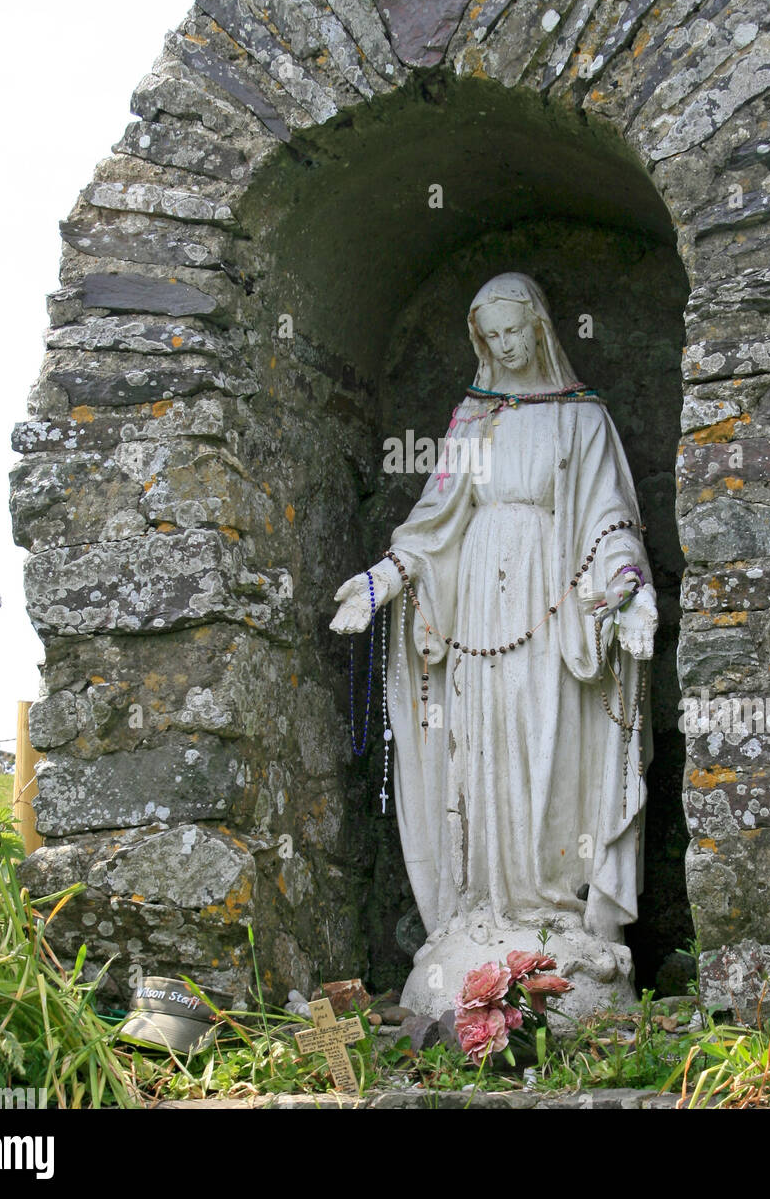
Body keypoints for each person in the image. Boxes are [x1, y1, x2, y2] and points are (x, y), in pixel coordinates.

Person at [331, 273, 657, 1009]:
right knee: (486, 746)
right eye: (493, 336)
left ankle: (559, 913)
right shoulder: (475, 421)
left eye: (516, 331)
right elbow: (434, 521)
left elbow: (610, 519)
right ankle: (486, 908)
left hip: (554, 596)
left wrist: (628, 590)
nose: (507, 347)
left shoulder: (582, 417)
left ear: (539, 328)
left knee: (551, 740)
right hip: (480, 598)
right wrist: (383, 580)